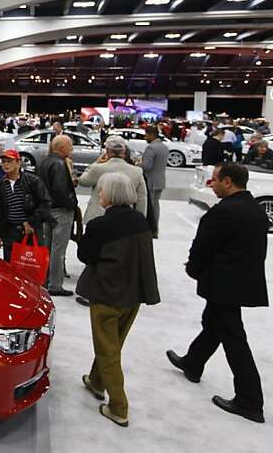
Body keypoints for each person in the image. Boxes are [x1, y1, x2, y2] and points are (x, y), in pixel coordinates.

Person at [166, 163, 268, 424]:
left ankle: (250, 400)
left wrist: (193, 268)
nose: (211, 184)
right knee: (213, 324)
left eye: (215, 180)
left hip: (224, 283)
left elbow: (203, 245)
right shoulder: (256, 210)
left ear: (228, 181)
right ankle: (193, 362)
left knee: (233, 337)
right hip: (241, 282)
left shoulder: (224, 211)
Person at [77, 173, 160, 428]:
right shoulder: (141, 221)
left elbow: (85, 256)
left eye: (102, 191)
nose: (99, 194)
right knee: (113, 345)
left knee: (108, 351)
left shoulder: (100, 225)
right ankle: (96, 381)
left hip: (107, 295)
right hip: (133, 295)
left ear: (111, 194)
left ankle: (118, 407)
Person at [0, 149, 51, 262]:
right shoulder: (0, 185)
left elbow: (45, 203)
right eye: (3, 162)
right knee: (10, 265)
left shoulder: (33, 181)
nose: (6, 164)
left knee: (31, 265)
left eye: (9, 161)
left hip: (30, 232)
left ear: (18, 162)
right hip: (10, 233)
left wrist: (31, 222)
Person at [38, 134, 77, 296]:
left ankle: (45, 279)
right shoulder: (60, 164)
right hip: (60, 211)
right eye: (70, 146)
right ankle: (55, 284)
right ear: (61, 148)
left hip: (46, 211)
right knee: (58, 250)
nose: (72, 149)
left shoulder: (44, 162)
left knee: (47, 248)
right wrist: (72, 204)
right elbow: (61, 190)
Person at [77, 136, 147, 224]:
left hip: (98, 216)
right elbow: (141, 198)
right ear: (124, 151)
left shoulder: (97, 168)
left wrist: (95, 163)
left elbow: (83, 181)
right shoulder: (137, 171)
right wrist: (140, 219)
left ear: (107, 151)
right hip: (125, 219)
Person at [140, 126, 168, 234]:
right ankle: (155, 228)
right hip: (160, 180)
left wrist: (138, 164)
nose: (145, 137)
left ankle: (150, 229)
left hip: (150, 180)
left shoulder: (151, 148)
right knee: (156, 205)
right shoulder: (164, 147)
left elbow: (147, 166)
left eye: (146, 135)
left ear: (152, 135)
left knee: (150, 207)